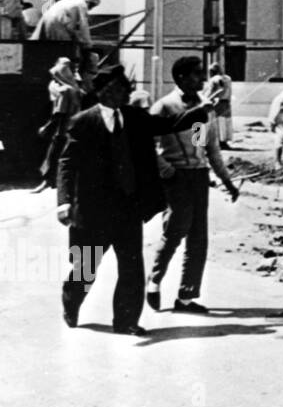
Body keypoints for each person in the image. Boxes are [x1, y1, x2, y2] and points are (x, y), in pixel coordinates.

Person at [56, 65, 210, 334]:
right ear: (104, 91)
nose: (125, 93)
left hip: (128, 208)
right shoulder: (83, 121)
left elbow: (170, 124)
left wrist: (202, 111)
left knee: (131, 267)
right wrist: (64, 201)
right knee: (86, 266)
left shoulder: (135, 117)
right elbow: (67, 163)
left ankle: (126, 322)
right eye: (119, 89)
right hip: (93, 210)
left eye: (126, 89)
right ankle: (71, 302)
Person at [147, 57, 240, 315]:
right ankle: (154, 279)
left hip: (197, 176)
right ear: (180, 78)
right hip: (175, 177)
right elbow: (147, 146)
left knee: (198, 237)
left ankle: (186, 297)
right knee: (176, 230)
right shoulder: (164, 107)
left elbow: (207, 148)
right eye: (196, 75)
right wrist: (167, 171)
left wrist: (227, 182)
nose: (201, 80)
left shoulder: (202, 108)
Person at [37, 57, 82, 190]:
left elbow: (59, 113)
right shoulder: (75, 88)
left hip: (63, 128)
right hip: (75, 125)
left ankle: (46, 181)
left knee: (53, 153)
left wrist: (46, 127)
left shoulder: (65, 91)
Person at [205, 62, 233, 148]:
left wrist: (206, 99)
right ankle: (224, 141)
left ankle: (218, 142)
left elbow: (212, 91)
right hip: (227, 102)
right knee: (225, 122)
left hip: (218, 102)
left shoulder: (214, 79)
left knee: (217, 122)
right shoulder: (228, 78)